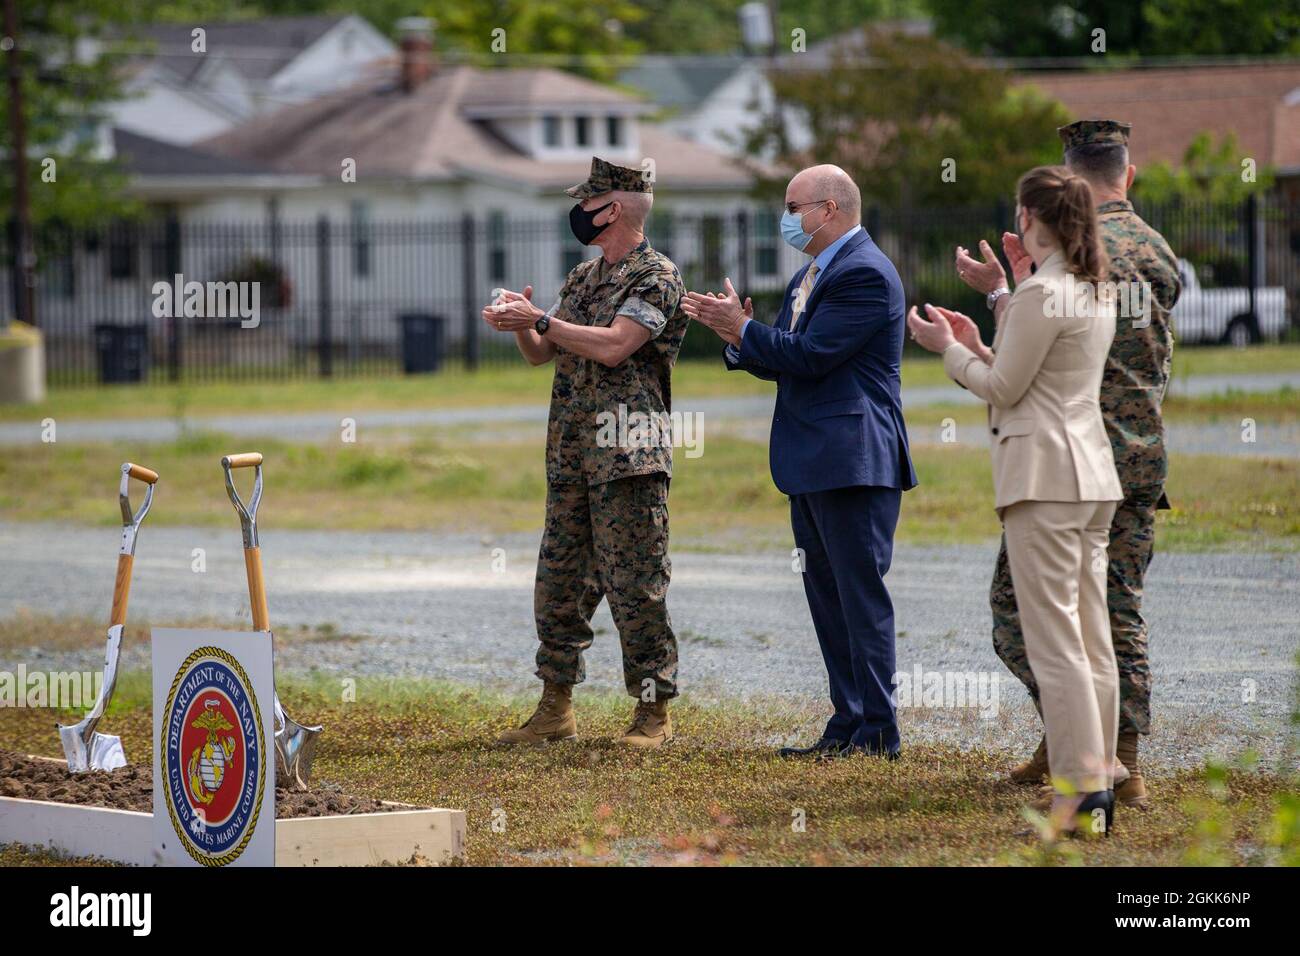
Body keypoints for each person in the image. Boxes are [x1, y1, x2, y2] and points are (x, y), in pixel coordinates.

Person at [953, 121, 1181, 808]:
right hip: (1129, 456)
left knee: (1042, 620)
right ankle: (1106, 753)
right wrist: (1011, 295)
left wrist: (997, 309)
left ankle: (1088, 758)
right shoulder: (1155, 253)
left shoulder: (1078, 264)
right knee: (1112, 616)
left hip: (1057, 459)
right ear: (1127, 176)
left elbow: (1023, 368)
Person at [908, 165, 1123, 834]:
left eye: (1019, 211)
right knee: (1091, 634)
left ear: (1031, 217)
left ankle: (1080, 790)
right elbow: (1035, 372)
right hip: (1090, 473)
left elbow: (1003, 387)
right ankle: (1103, 776)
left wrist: (948, 350)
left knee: (1055, 640)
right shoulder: (1094, 288)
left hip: (1044, 477)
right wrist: (986, 339)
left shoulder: (1042, 292)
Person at [683, 164, 915, 759]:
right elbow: (782, 357)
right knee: (827, 597)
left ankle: (878, 733)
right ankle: (848, 721)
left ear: (830, 209)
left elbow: (811, 355)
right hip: (813, 460)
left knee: (859, 598)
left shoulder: (862, 273)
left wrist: (744, 329)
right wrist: (736, 334)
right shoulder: (812, 273)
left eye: (794, 206)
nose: (786, 218)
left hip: (853, 459)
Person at [482, 157, 687, 749]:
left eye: (586, 201)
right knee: (559, 584)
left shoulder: (657, 276)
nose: (578, 212)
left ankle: (653, 714)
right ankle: (555, 709)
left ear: (611, 209)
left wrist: (541, 319)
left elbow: (618, 345)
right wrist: (520, 323)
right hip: (572, 455)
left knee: (636, 586)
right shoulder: (583, 277)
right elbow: (542, 354)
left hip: (628, 457)